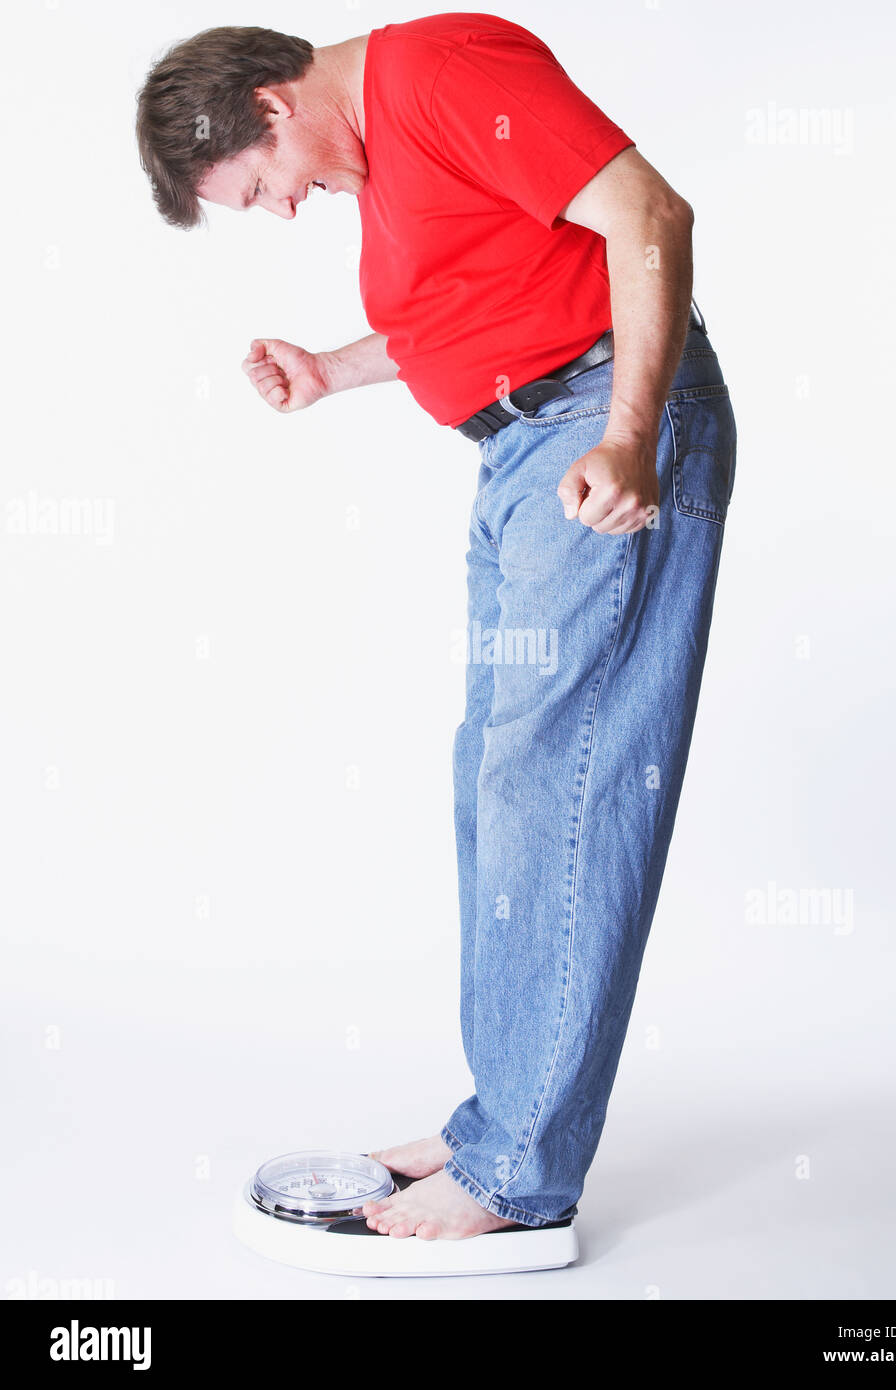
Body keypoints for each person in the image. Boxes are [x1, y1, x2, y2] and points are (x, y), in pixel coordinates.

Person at [136, 12, 737, 1242]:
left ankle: (520, 1176)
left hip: (592, 425)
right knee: (497, 782)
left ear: (269, 106)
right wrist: (328, 369)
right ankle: (496, 1123)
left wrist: (628, 435)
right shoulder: (390, 155)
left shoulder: (441, 73)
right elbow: (471, 306)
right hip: (522, 451)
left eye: (261, 188)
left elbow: (652, 215)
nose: (285, 211)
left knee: (558, 781)